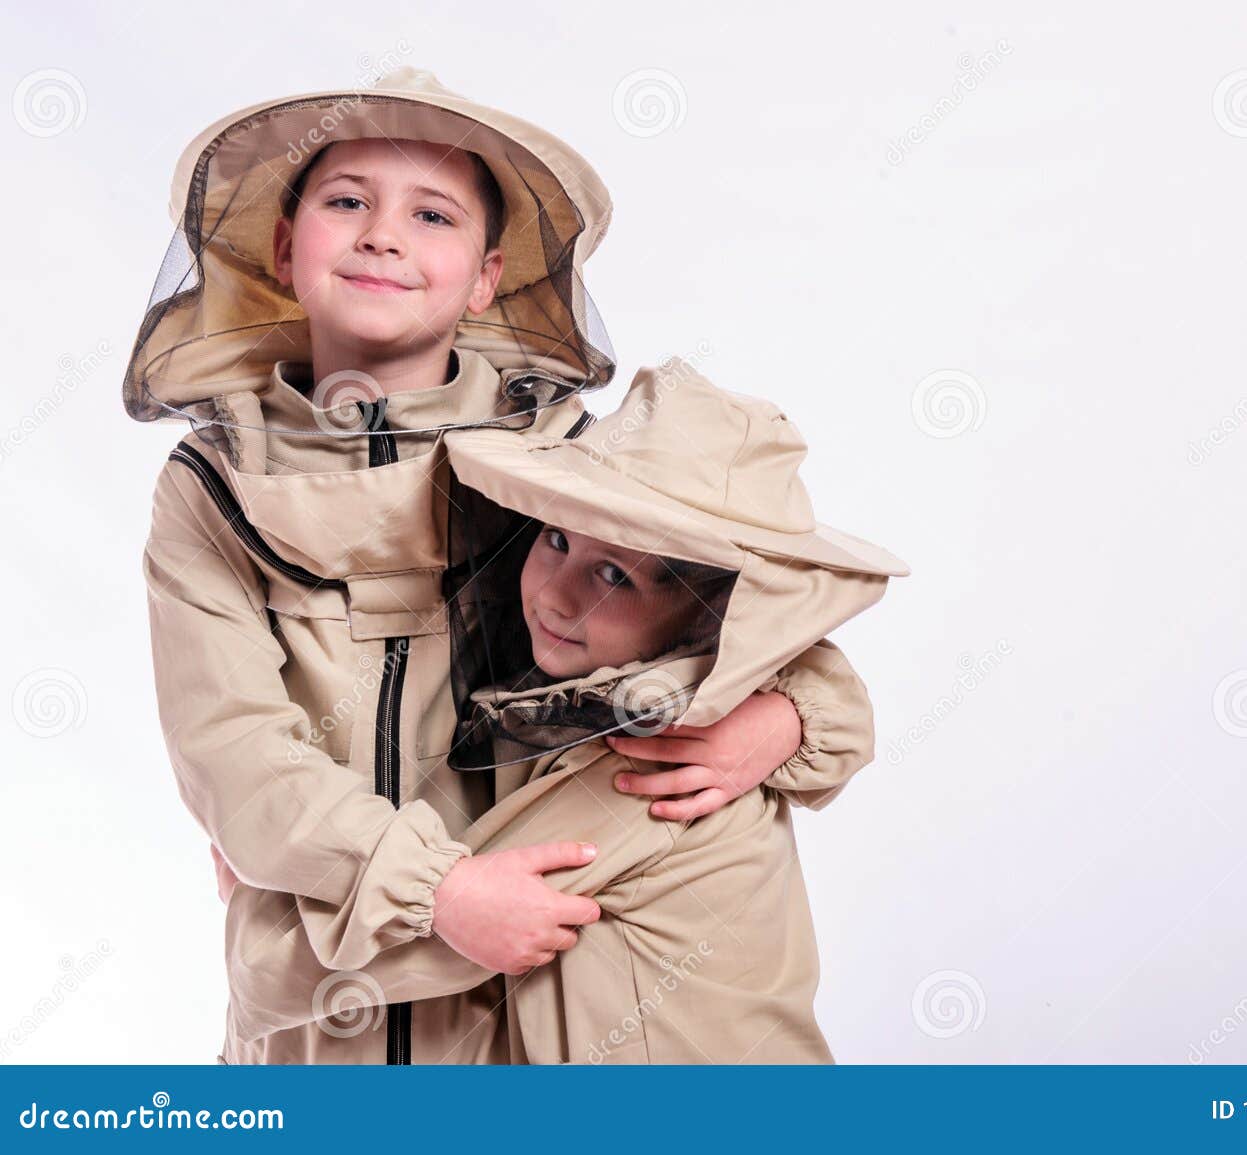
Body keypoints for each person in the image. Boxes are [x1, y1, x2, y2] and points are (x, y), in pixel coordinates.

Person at [131, 67, 881, 1064]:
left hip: (517, 988)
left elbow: (734, 599)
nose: (383, 235)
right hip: (323, 1024)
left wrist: (792, 715)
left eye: (432, 214)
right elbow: (227, 746)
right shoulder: (211, 486)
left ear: (487, 275)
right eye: (346, 201)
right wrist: (428, 889)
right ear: (282, 244)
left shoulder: (569, 462)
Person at [219, 359, 909, 1062]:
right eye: (555, 539)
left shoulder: (651, 768)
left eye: (614, 575)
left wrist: (252, 908)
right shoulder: (611, 706)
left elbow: (417, 938)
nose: (555, 595)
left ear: (709, 617)